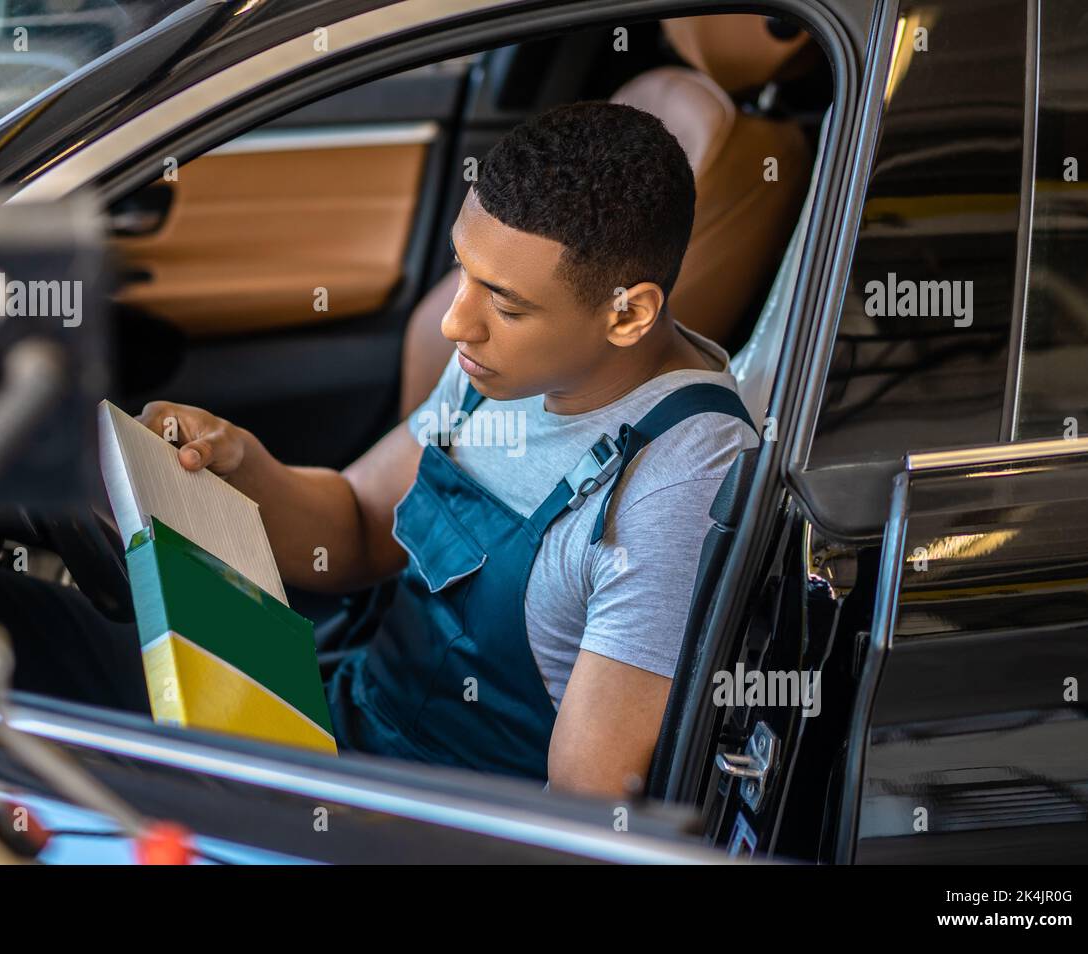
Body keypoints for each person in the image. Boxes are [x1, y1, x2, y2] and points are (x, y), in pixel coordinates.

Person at [134, 102, 758, 796]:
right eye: (461, 270)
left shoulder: (678, 484)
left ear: (628, 313)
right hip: (339, 729)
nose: (456, 321)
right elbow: (361, 524)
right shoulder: (509, 365)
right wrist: (242, 465)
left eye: (506, 304)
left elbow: (586, 805)